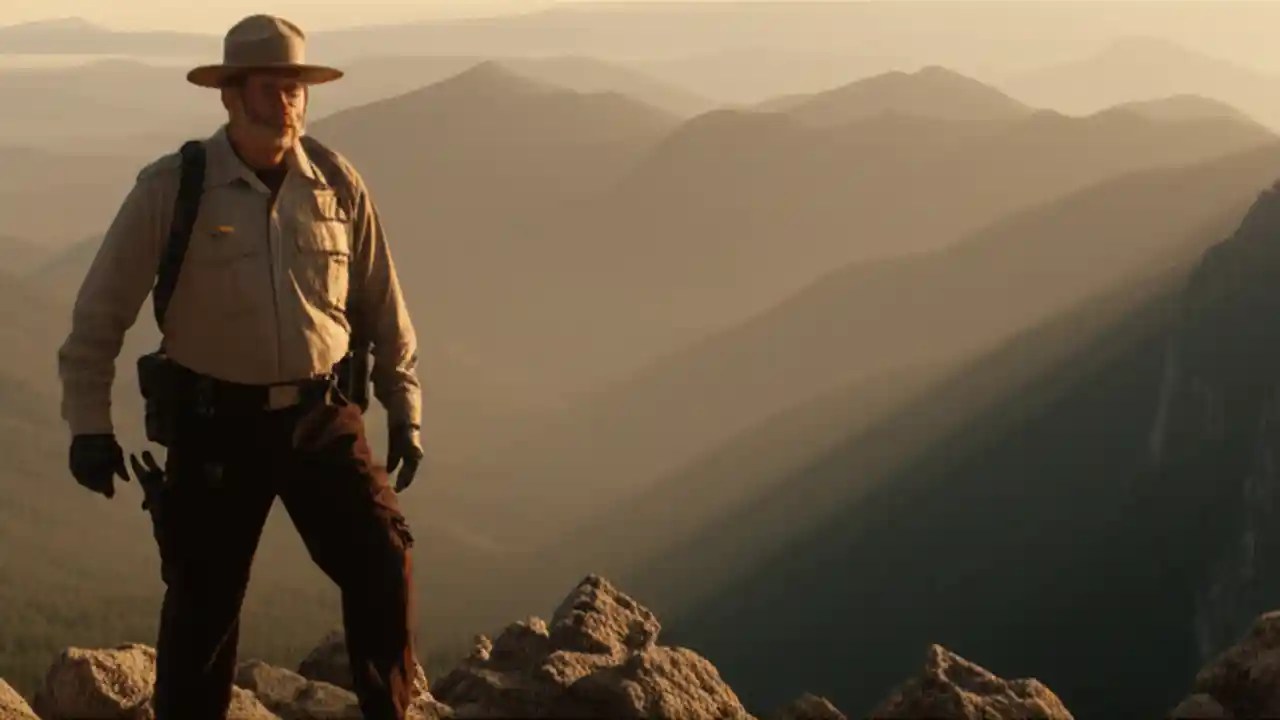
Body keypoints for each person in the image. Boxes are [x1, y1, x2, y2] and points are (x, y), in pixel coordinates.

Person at [56, 14, 423, 720]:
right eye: (269, 87)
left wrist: (404, 408)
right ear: (230, 95)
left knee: (384, 561)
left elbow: (384, 308)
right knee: (203, 604)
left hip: (323, 415)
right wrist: (88, 427)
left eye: (296, 87)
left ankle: (390, 712)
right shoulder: (174, 189)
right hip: (214, 422)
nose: (287, 101)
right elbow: (97, 318)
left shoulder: (336, 184)